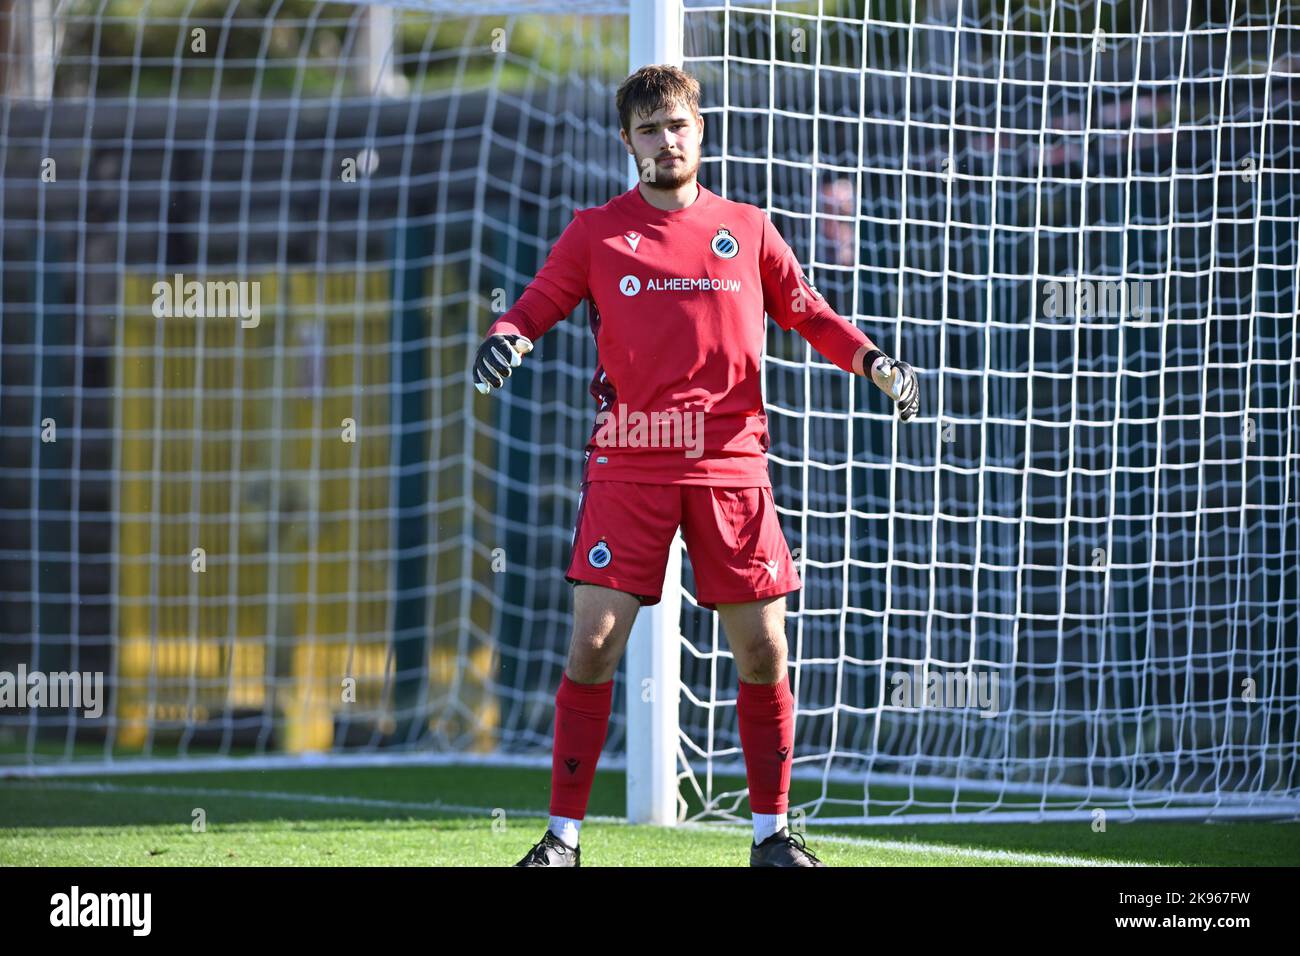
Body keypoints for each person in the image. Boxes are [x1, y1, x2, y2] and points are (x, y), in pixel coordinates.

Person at [471, 65, 919, 867]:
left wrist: (872, 360)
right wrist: (509, 335)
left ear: (699, 131)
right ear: (628, 143)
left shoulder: (747, 227)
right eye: (649, 130)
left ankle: (771, 836)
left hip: (730, 466)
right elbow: (537, 301)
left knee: (763, 652)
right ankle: (563, 840)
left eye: (676, 125)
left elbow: (808, 312)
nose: (666, 140)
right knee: (594, 645)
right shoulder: (596, 232)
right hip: (631, 461)